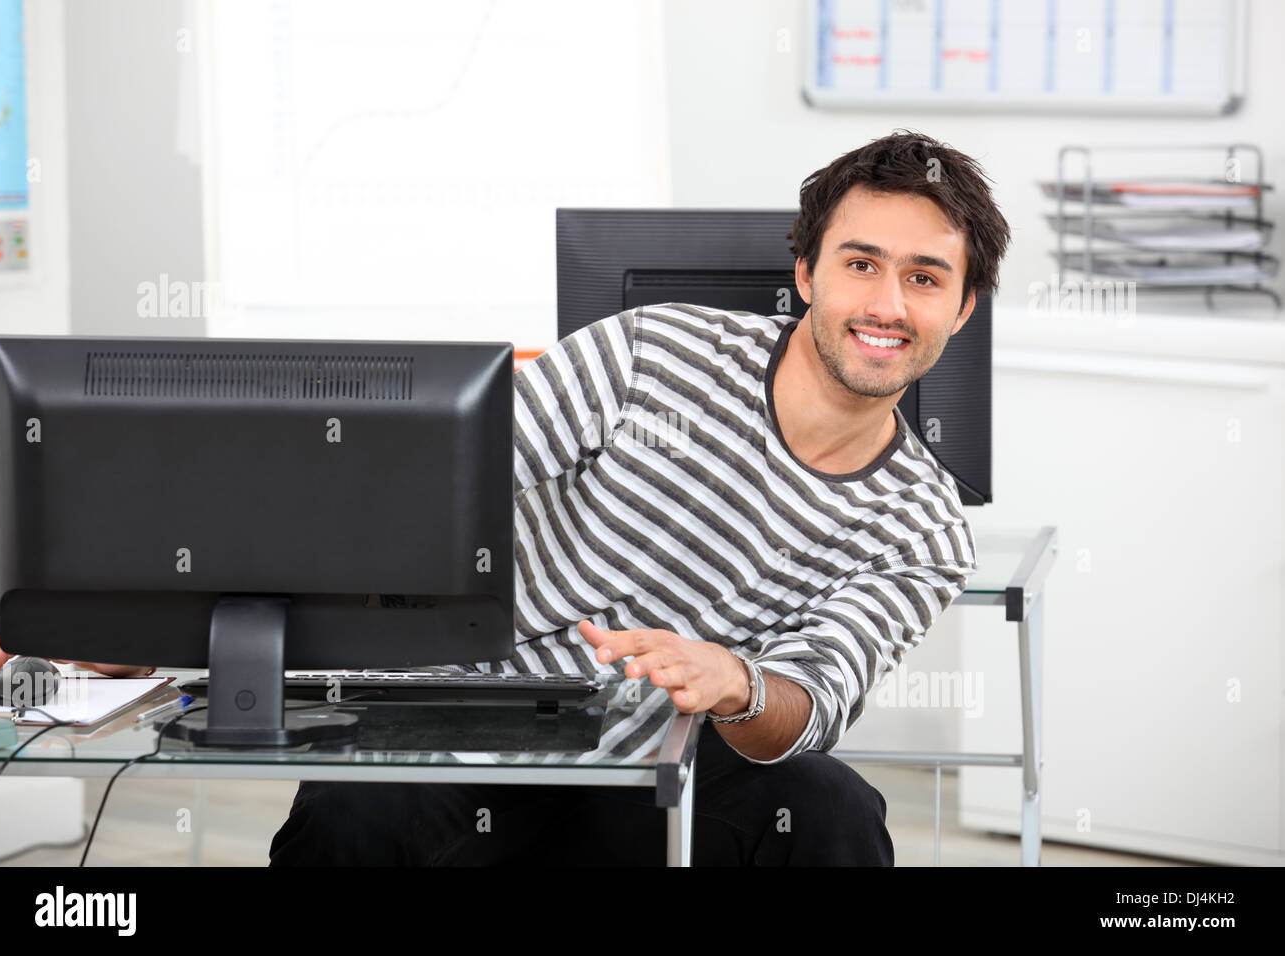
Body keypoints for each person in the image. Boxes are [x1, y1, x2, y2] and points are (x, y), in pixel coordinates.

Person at [267, 128, 1011, 866]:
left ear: (963, 306)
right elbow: (430, 495)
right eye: (861, 264)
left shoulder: (925, 533)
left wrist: (737, 683)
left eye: (924, 278)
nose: (888, 305)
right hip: (481, 716)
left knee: (831, 811)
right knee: (356, 805)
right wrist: (208, 611)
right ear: (808, 274)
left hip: (669, 759)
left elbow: (811, 702)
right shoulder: (651, 351)